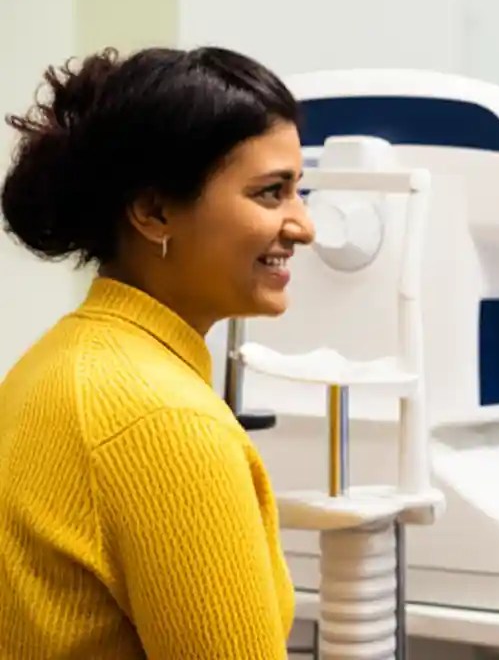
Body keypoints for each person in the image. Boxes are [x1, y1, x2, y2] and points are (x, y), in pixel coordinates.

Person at [0, 46, 315, 658]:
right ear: (154, 211)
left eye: (300, 191)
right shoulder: (166, 423)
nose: (303, 224)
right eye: (271, 193)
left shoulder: (56, 363)